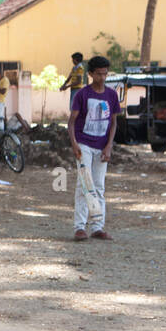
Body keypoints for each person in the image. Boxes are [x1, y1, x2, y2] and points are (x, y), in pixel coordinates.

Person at [69, 55, 120, 241]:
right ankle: (80, 227)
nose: (103, 78)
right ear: (90, 74)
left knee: (98, 187)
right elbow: (71, 122)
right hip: (84, 145)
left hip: (102, 146)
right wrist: (74, 144)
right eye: (99, 74)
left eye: (105, 74)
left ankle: (97, 227)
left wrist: (109, 146)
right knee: (84, 186)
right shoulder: (82, 95)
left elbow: (113, 123)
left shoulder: (111, 95)